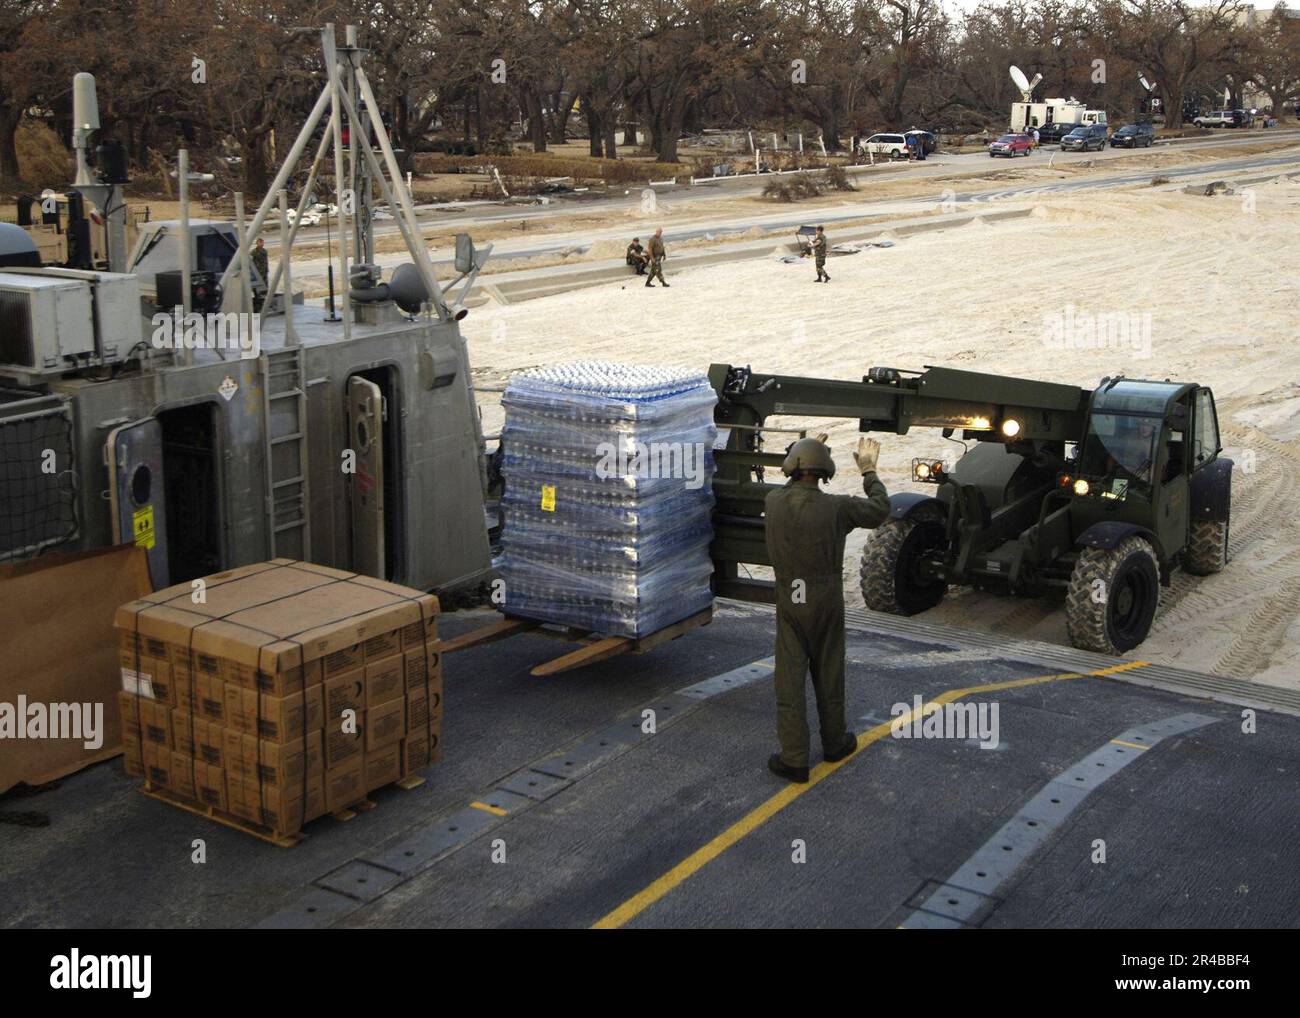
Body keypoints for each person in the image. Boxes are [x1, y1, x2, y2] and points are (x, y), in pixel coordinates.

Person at [763, 434, 891, 783]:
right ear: (826, 472)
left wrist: (800, 450)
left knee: (789, 681)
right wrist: (868, 470)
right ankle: (835, 743)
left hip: (792, 597)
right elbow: (881, 509)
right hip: (825, 599)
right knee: (829, 673)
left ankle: (794, 759)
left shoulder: (773, 501)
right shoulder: (838, 507)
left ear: (791, 467)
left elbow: (788, 487)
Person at [250, 237, 269, 311]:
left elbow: (265, 261)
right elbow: (251, 261)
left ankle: (263, 301)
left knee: (265, 286)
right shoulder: (253, 252)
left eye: (262, 242)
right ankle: (258, 301)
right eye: (260, 242)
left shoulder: (265, 251)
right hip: (257, 272)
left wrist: (267, 270)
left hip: (264, 272)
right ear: (257, 243)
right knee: (257, 288)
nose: (261, 244)